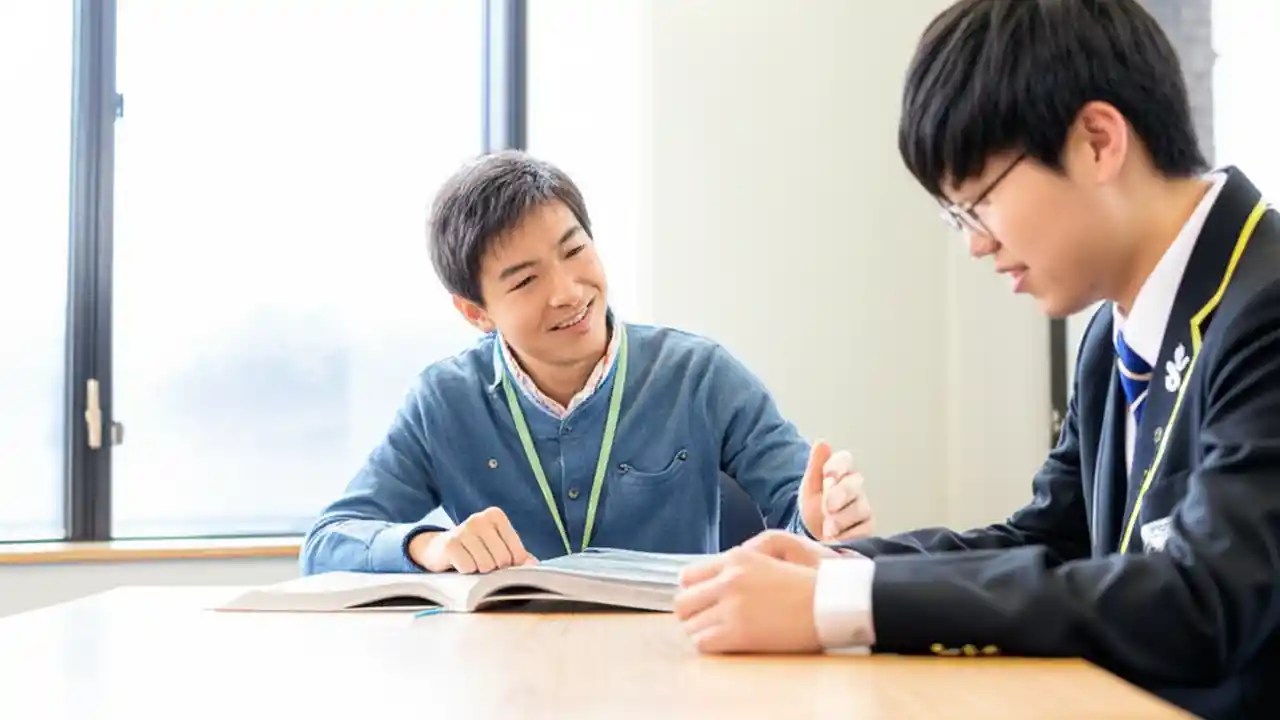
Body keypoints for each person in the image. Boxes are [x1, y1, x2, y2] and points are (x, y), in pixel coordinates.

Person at [672, 1, 1279, 717]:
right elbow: (1050, 541)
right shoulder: (1112, 335)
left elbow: (1204, 603)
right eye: (956, 217)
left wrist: (841, 603)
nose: (976, 244)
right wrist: (840, 565)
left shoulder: (1263, 308)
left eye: (979, 203)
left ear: (1095, 141)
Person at [300, 151, 873, 576]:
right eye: (525, 280)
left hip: (679, 664)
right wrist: (432, 545)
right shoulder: (445, 401)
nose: (568, 292)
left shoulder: (701, 376)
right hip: (506, 674)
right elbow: (327, 543)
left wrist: (821, 525)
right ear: (476, 312)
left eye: (574, 251)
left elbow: (802, 522)